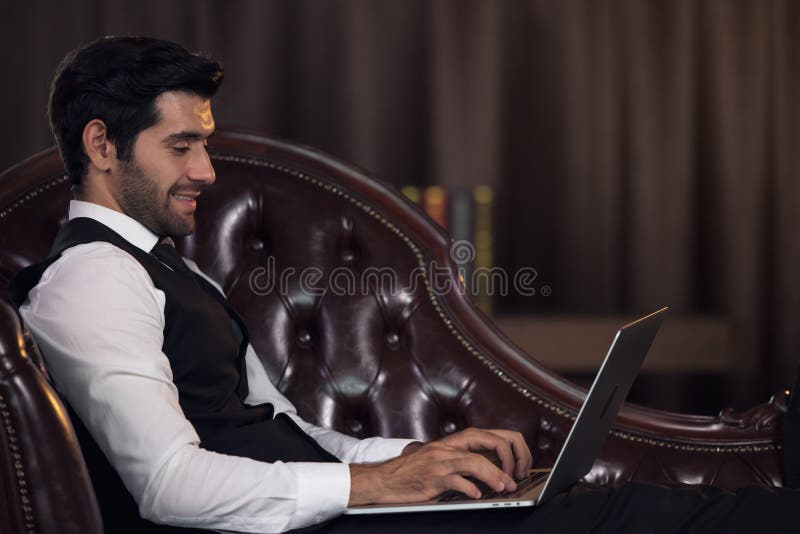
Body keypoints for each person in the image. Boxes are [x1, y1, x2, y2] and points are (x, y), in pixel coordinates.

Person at [10, 36, 800, 534]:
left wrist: (422, 457)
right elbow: (170, 487)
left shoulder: (162, 269)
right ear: (101, 144)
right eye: (182, 146)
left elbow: (285, 433)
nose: (206, 172)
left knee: (618, 511)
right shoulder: (89, 279)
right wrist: (379, 482)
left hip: (326, 519)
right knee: (640, 516)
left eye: (205, 145)